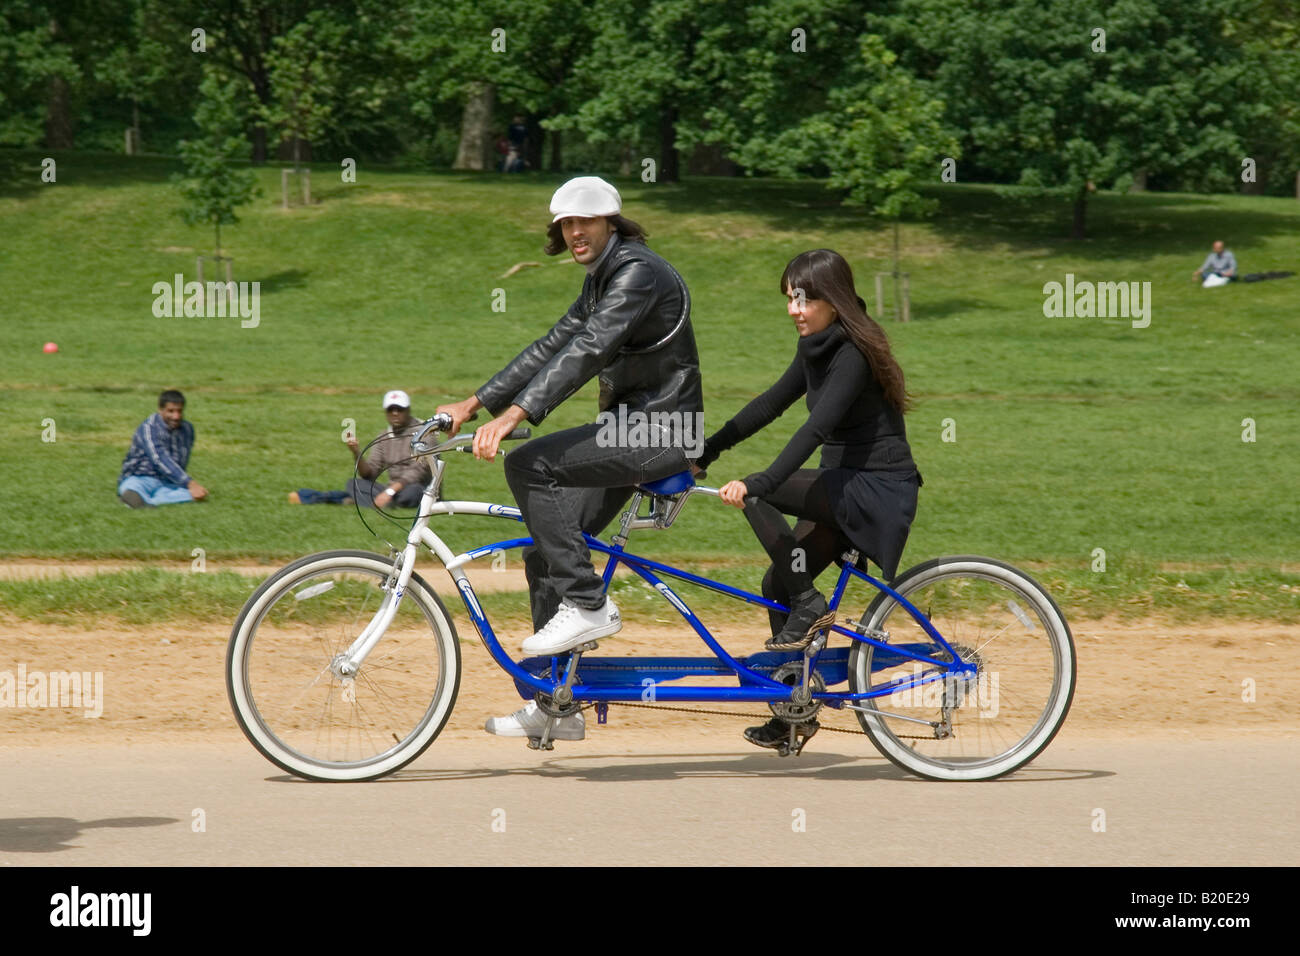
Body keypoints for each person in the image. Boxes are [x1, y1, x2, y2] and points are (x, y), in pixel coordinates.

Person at [436, 175, 703, 741]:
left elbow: (590, 350)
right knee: (546, 554)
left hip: (663, 430)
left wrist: (517, 417)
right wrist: (475, 402)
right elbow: (553, 344)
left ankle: (588, 605)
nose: (574, 232)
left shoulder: (638, 272)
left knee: (528, 463)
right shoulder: (602, 277)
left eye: (585, 221)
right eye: (566, 224)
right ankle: (555, 705)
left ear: (611, 222)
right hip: (627, 429)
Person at [693, 249, 923, 750]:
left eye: (806, 298)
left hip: (876, 487)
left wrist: (763, 480)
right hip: (842, 484)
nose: (796, 309)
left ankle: (810, 604)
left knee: (761, 497)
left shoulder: (853, 354)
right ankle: (792, 711)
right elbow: (771, 404)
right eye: (791, 298)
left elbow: (815, 428)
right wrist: (706, 451)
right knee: (777, 579)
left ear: (834, 301)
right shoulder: (817, 345)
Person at [288, 390, 433, 508]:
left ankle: (328, 498)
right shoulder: (383, 436)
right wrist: (356, 452)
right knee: (354, 484)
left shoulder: (423, 434)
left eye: (399, 409)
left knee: (413, 492)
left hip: (418, 489)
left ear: (408, 410)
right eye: (390, 409)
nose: (395, 413)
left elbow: (418, 472)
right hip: (391, 491)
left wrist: (388, 492)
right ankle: (380, 502)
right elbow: (370, 474)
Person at [117, 389, 208, 508]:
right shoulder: (149, 428)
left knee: (195, 495)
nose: (176, 416)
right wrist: (190, 483)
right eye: (171, 411)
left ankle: (146, 501)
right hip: (142, 477)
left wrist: (190, 487)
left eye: (179, 411)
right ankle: (135, 496)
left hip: (168, 482)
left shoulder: (187, 429)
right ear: (160, 410)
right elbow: (159, 459)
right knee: (132, 486)